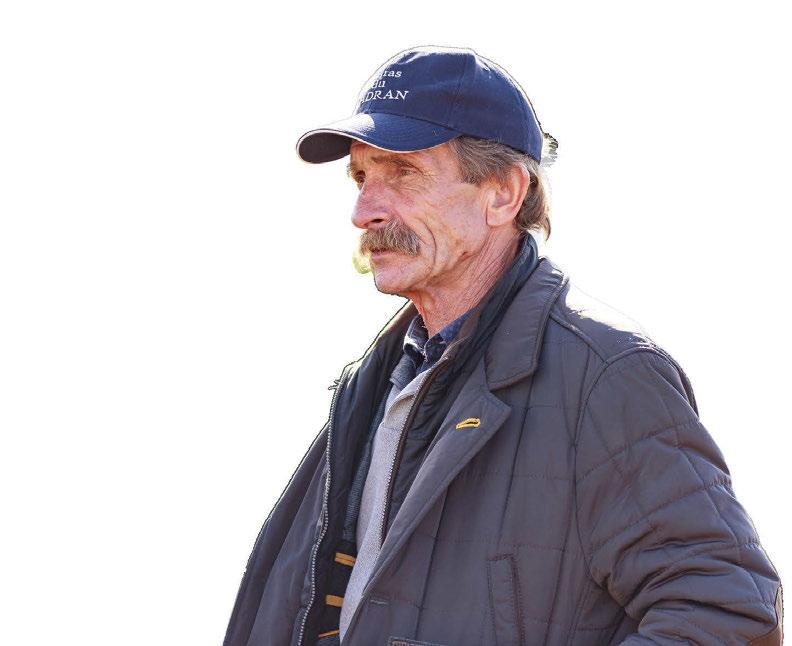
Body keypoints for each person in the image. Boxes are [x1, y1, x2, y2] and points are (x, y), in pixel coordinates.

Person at [222, 46, 783, 646]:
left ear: (504, 193)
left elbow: (728, 614)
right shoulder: (381, 382)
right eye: (362, 177)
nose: (365, 211)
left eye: (403, 172)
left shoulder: (608, 376)